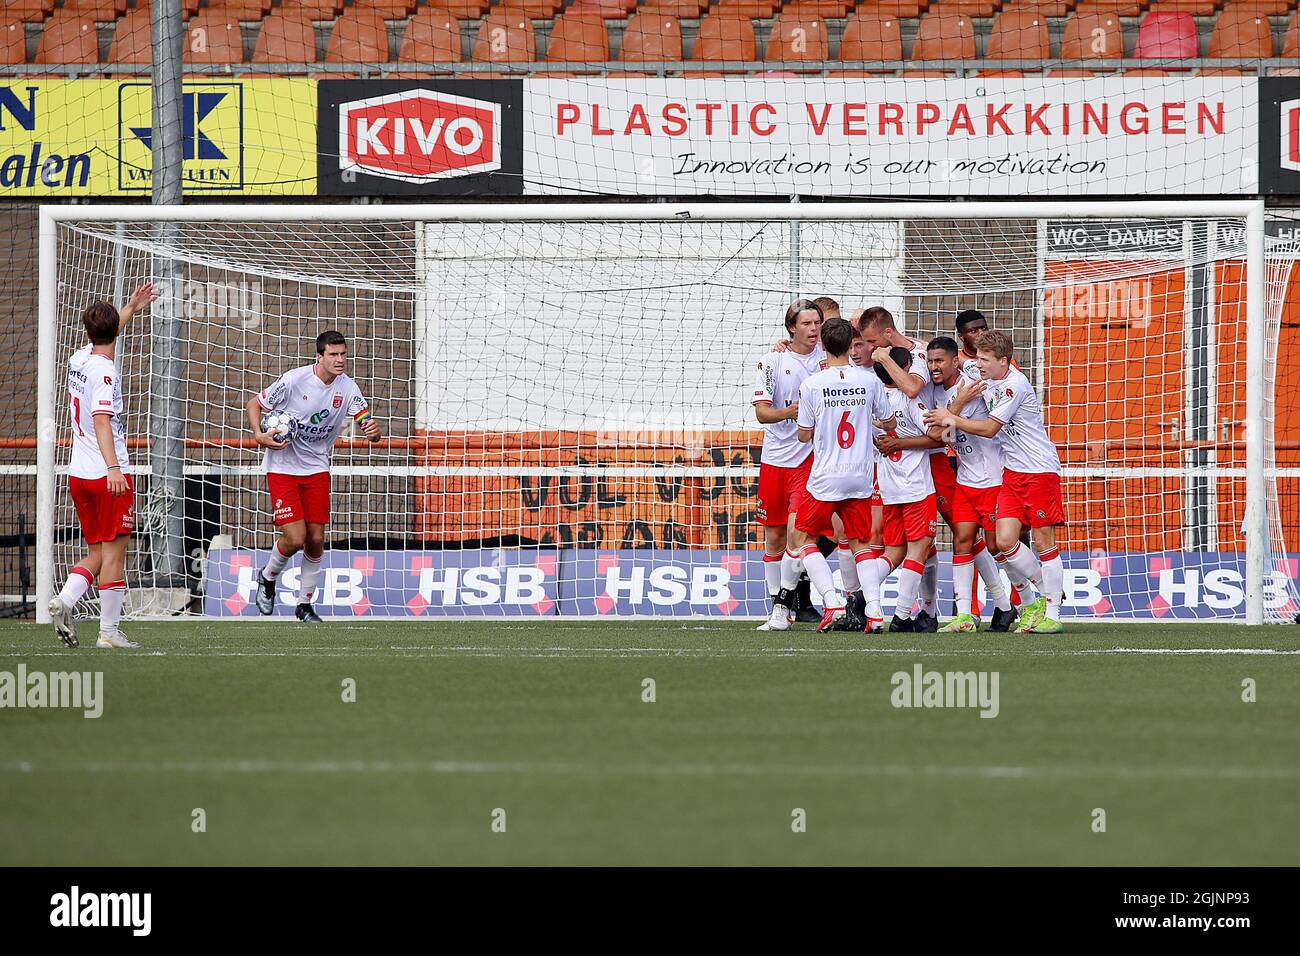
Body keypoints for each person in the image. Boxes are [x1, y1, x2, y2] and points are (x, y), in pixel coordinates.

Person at [925, 329, 1066, 633]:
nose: (980, 365)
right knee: (1002, 542)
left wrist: (952, 416)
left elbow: (989, 429)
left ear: (1004, 361)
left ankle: (1052, 611)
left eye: (986, 360)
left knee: (1043, 542)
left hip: (1039, 469)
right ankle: (1039, 594)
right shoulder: (979, 372)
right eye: (978, 358)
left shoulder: (1014, 386)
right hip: (1013, 473)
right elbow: (952, 359)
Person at [245, 330, 383, 623]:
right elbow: (254, 404)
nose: (340, 360)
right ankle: (268, 577)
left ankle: (304, 604)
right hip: (282, 467)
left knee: (316, 538)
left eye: (343, 354)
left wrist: (373, 432)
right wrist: (260, 436)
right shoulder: (295, 380)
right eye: (333, 355)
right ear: (318, 357)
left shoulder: (348, 388)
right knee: (295, 537)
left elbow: (367, 422)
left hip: (317, 467)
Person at [49, 283, 158, 649]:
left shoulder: (78, 359)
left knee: (97, 553)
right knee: (114, 557)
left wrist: (129, 307)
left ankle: (64, 601)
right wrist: (114, 468)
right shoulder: (105, 373)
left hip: (78, 475)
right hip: (107, 475)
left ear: (87, 332)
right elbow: (100, 420)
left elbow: (108, 331)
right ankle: (109, 633)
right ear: (113, 331)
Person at [786, 319, 882, 633]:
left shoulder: (813, 384)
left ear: (824, 347)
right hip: (860, 475)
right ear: (850, 345)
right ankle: (876, 611)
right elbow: (890, 422)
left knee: (802, 539)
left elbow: (803, 435)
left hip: (826, 477)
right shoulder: (869, 381)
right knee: (860, 543)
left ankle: (832, 600)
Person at [919, 336, 1017, 632]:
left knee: (995, 544)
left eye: (940, 361)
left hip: (993, 476)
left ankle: (1022, 598)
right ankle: (964, 615)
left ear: (954, 360)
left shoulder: (975, 380)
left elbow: (976, 426)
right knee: (962, 540)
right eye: (930, 361)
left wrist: (955, 409)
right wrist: (955, 407)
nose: (934, 367)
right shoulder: (934, 393)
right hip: (965, 478)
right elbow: (940, 435)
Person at [753, 300, 825, 631]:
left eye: (817, 323)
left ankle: (788, 605)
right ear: (792, 327)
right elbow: (762, 413)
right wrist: (790, 412)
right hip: (773, 461)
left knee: (798, 537)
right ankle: (776, 607)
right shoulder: (773, 361)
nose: (814, 329)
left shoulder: (828, 361)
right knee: (774, 539)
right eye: (808, 323)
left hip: (808, 460)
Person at [869, 346, 942, 632]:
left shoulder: (872, 401)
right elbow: (939, 436)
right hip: (916, 488)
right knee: (918, 550)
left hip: (888, 487)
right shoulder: (910, 400)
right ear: (904, 368)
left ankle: (859, 598)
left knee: (893, 552)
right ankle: (901, 617)